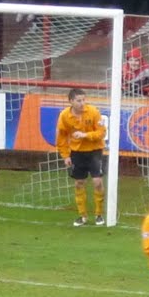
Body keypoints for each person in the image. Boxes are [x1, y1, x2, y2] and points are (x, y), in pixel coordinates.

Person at [56, 87, 108, 226]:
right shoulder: (64, 116)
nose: (82, 103)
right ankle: (82, 216)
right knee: (79, 183)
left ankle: (99, 214)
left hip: (95, 151)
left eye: (84, 100)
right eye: (79, 100)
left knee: (97, 182)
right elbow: (61, 137)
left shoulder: (93, 112)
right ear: (71, 101)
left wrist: (85, 135)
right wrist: (65, 155)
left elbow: (102, 132)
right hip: (77, 153)